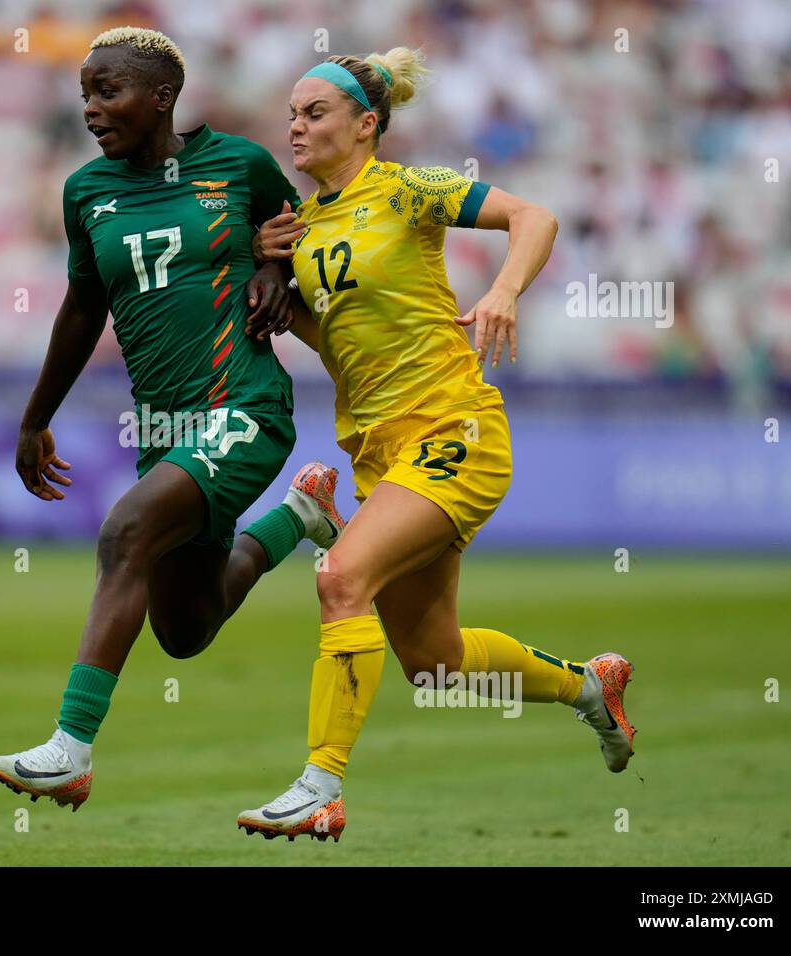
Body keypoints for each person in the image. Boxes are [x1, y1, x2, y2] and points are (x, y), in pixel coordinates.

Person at [237, 48, 637, 842]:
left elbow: (535, 217)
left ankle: (321, 784)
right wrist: (277, 304)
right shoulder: (302, 229)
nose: (296, 125)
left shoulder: (409, 189)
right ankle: (590, 686)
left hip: (456, 430)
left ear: (366, 125)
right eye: (292, 112)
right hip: (380, 453)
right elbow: (340, 343)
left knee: (340, 577)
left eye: (315, 113)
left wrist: (500, 290)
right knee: (434, 663)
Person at [0, 27, 346, 811]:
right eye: (84, 94)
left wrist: (272, 264)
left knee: (125, 533)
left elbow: (306, 238)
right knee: (187, 629)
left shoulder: (239, 164)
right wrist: (34, 418)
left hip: (245, 406)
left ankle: (70, 750)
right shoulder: (86, 192)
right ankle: (299, 517)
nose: (90, 108)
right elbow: (84, 307)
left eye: (107, 92)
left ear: (162, 97)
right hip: (164, 431)